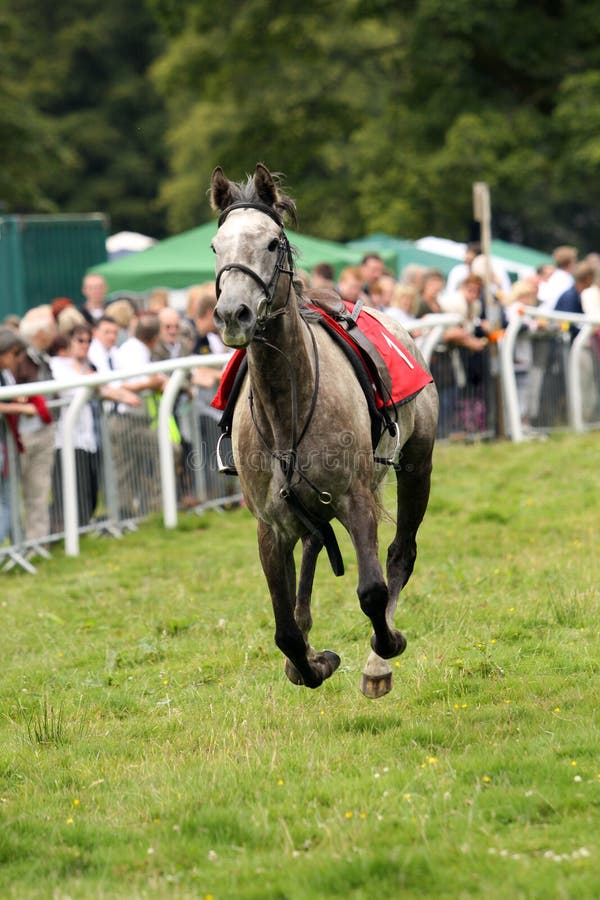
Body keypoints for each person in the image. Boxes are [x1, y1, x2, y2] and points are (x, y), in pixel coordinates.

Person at [109, 314, 167, 518]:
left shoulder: (132, 348)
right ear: (155, 337)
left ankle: (132, 513)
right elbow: (127, 385)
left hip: (128, 419)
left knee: (128, 469)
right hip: (127, 419)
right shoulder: (135, 351)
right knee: (169, 450)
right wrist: (154, 383)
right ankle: (156, 505)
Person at [49, 324, 100, 529]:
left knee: (90, 490)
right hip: (66, 439)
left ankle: (81, 529)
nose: (85, 345)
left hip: (88, 439)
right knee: (70, 492)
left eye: (89, 341)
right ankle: (64, 531)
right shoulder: (57, 364)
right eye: (80, 340)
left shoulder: (89, 365)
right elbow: (71, 391)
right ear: (68, 342)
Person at [14, 306, 58, 546]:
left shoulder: (43, 357)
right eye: (52, 327)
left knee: (39, 491)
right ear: (42, 332)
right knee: (14, 495)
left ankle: (37, 543)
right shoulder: (19, 359)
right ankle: (18, 543)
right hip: (22, 435)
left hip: (43, 431)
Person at [0, 329, 39, 548]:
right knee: (5, 502)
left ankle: (18, 547)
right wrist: (17, 406)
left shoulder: (5, 374)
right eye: (15, 355)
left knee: (8, 500)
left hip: (6, 443)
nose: (16, 360)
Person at [537, 245, 578, 312]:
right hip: (553, 317)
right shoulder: (568, 280)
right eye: (574, 261)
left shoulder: (553, 276)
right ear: (570, 263)